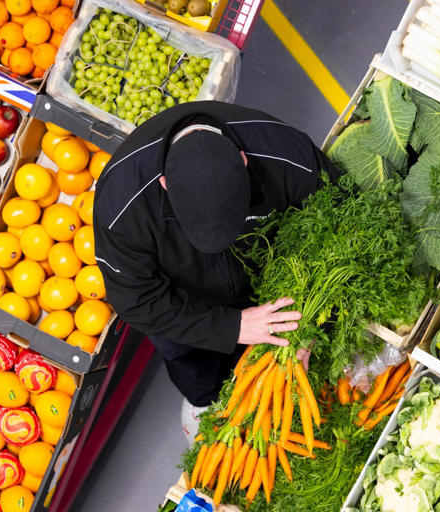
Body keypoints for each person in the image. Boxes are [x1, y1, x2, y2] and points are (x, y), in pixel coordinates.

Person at [93, 101, 340, 442]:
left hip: (270, 281)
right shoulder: (123, 202)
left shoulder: (284, 152)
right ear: (165, 185)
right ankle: (203, 403)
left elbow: (338, 226)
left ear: (242, 161)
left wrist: (313, 317)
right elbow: (137, 301)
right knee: (193, 365)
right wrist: (232, 326)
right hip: (181, 301)